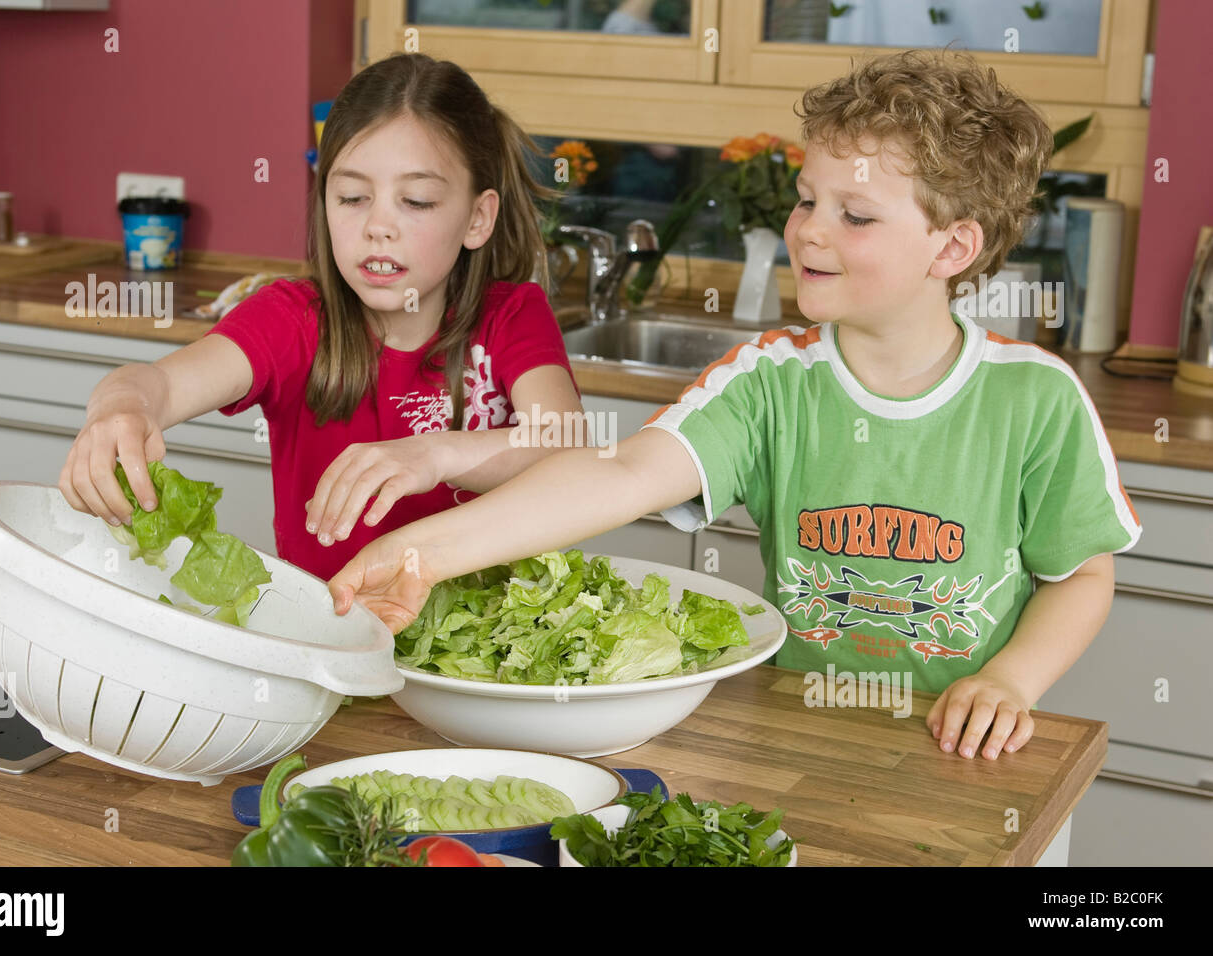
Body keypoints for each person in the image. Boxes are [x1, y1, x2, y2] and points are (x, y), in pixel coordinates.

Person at [330, 49, 1145, 763]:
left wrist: (1010, 679)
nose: (809, 232)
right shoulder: (767, 382)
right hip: (791, 730)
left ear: (953, 247)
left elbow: (1082, 574)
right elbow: (614, 475)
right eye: (805, 200)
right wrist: (419, 556)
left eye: (854, 215)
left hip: (953, 744)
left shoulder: (1035, 400)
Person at [58, 53, 585, 581]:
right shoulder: (291, 321)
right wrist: (121, 408)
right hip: (331, 638)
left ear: (477, 218)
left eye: (416, 201)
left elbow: (563, 439)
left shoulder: (512, 316)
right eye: (353, 197)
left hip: (481, 654)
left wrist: (433, 454)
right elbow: (159, 385)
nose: (378, 226)